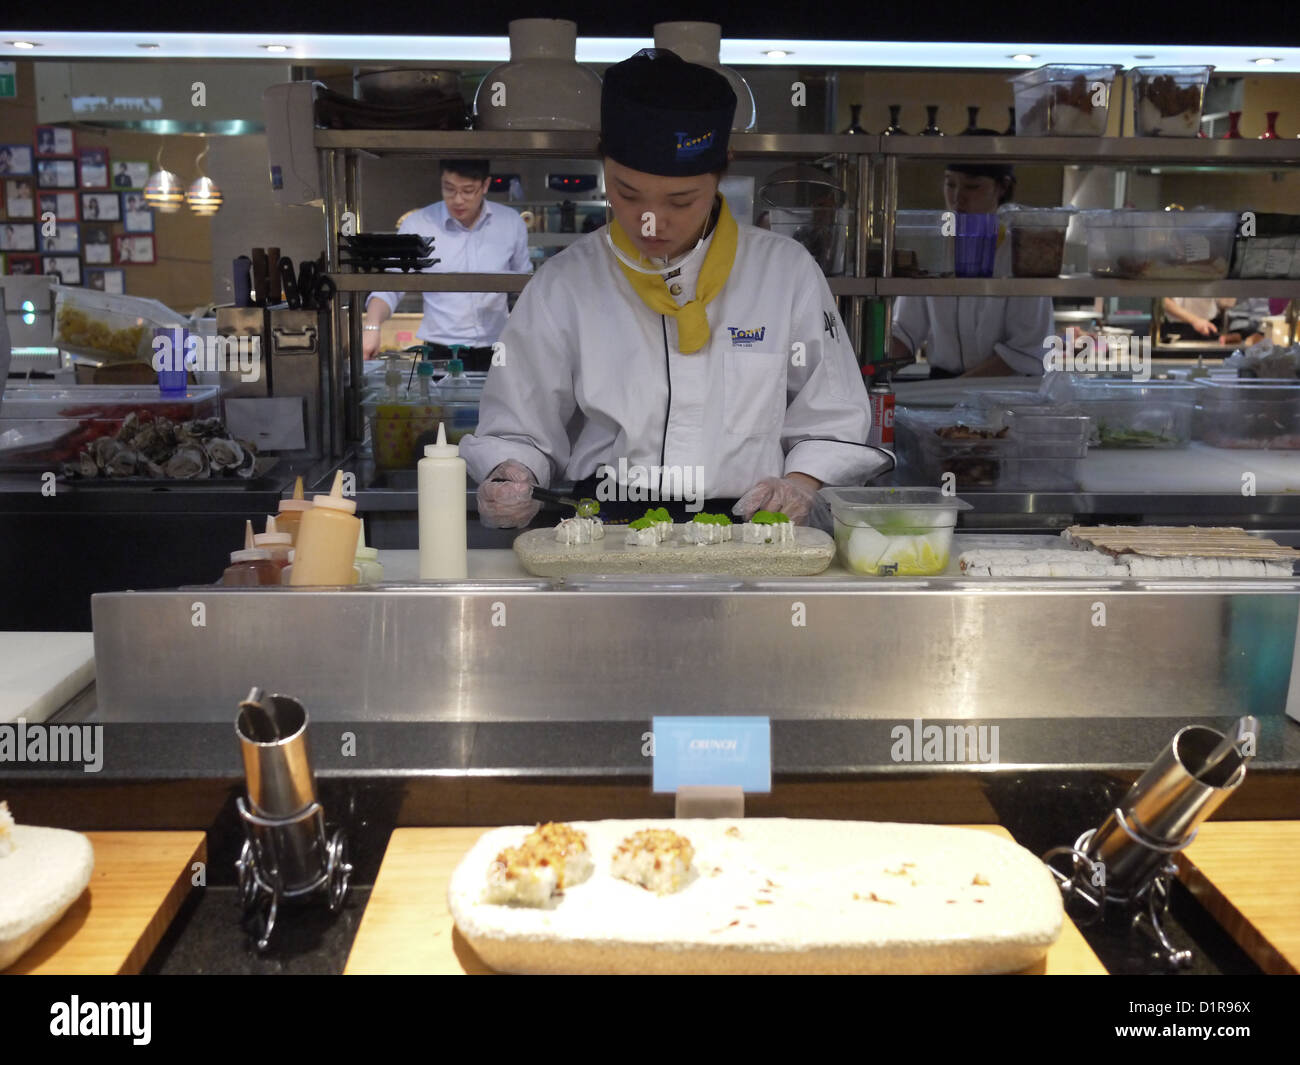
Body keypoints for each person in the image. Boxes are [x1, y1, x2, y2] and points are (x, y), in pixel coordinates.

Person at [460, 49, 886, 530]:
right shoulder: (566, 281)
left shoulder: (784, 272)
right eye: (627, 193)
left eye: (681, 201)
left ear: (722, 172)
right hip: (606, 527)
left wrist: (802, 484)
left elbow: (832, 414)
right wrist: (510, 473)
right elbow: (520, 425)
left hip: (750, 524)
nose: (651, 221)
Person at [362, 159, 531, 371]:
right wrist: (372, 326)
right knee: (439, 405)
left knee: (498, 405)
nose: (458, 200)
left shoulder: (511, 222)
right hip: (440, 350)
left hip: (497, 347)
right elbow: (391, 286)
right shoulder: (418, 224)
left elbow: (524, 288)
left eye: (468, 191)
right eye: (449, 189)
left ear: (485, 185)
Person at [890, 163, 1054, 378]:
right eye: (950, 184)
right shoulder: (934, 250)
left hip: (1005, 392)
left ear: (1002, 187)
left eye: (972, 186)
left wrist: (956, 391)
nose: (958, 197)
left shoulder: (1019, 256)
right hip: (943, 383)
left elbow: (1026, 352)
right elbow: (904, 331)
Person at [1161, 297, 1236, 342]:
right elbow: (1163, 300)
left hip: (1209, 329)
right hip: (1175, 330)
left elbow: (1224, 303)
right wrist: (1195, 320)